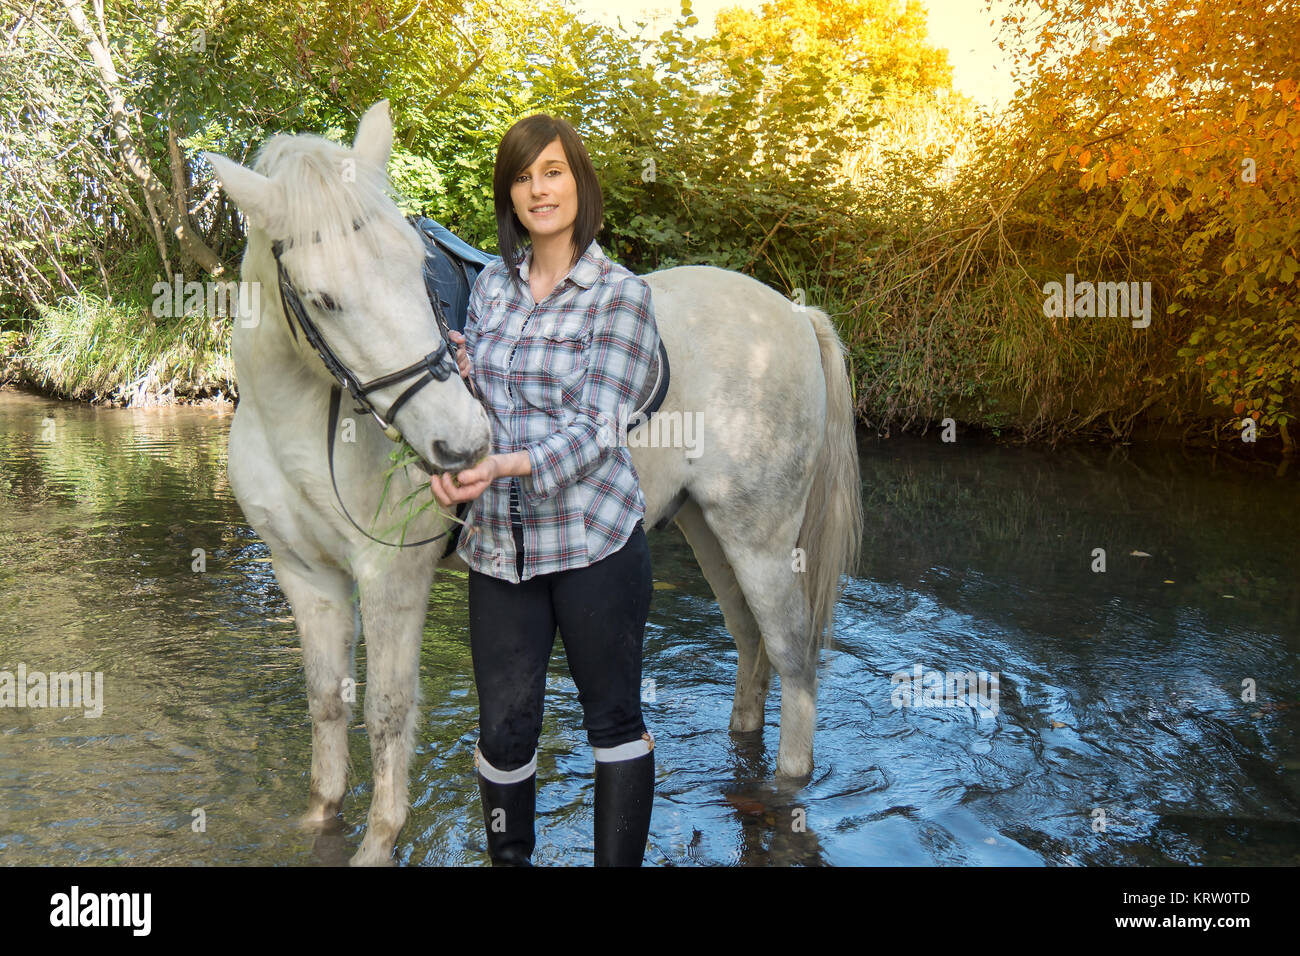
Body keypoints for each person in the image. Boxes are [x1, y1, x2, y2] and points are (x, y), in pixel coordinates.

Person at [428, 114, 661, 867]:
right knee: (502, 732)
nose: (538, 189)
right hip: (497, 548)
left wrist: (508, 465)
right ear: (510, 196)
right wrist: (458, 466)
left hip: (595, 541)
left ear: (579, 183)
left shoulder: (619, 294)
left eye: (552, 171)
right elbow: (479, 406)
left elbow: (602, 428)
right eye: (523, 177)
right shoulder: (490, 288)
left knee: (614, 722)